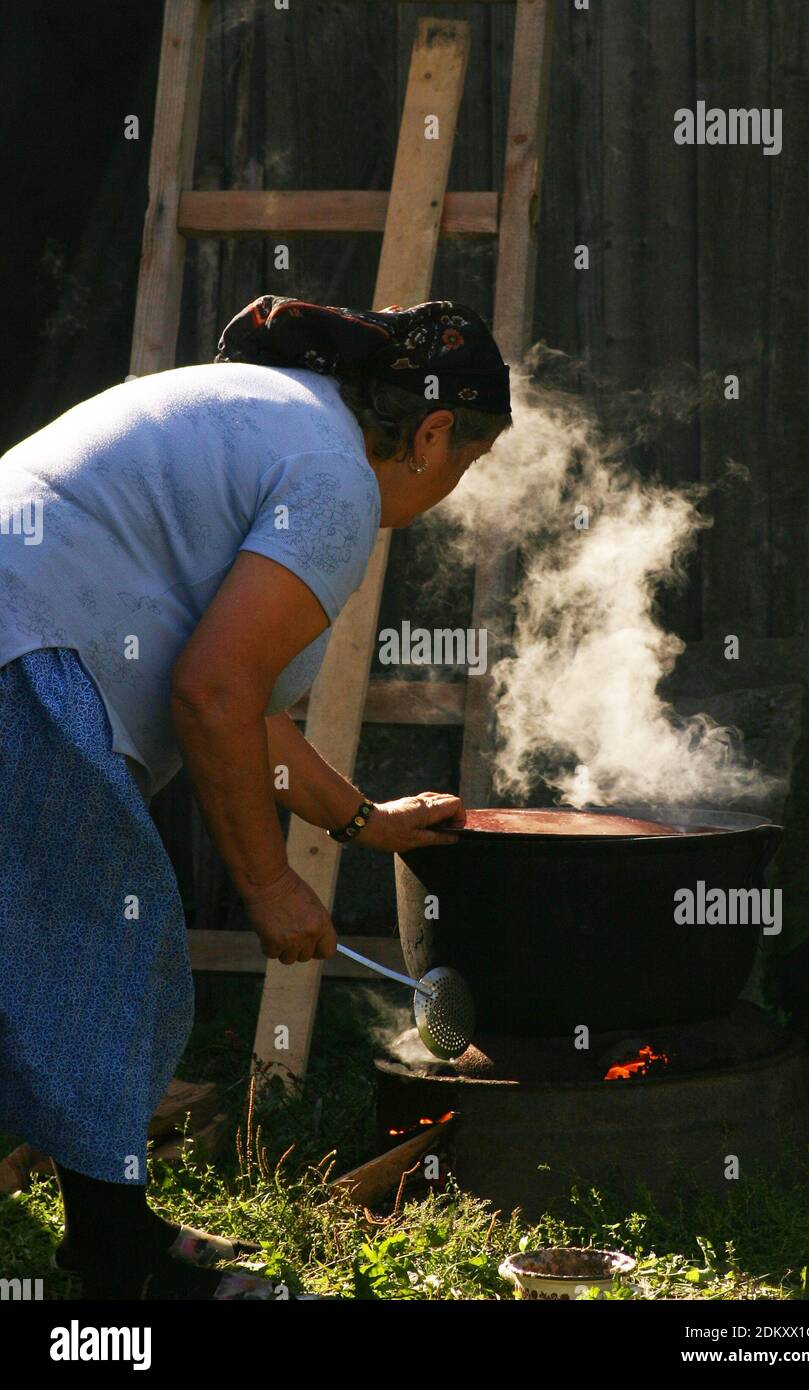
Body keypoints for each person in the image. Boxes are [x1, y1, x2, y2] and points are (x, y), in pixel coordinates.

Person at [0, 296, 511, 1299]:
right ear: (434, 430)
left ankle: (112, 1240)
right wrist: (271, 884)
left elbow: (252, 719)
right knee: (109, 955)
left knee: (58, 960)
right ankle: (118, 1262)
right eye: (466, 463)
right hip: (24, 661)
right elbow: (213, 692)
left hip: (19, 637)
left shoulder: (277, 414)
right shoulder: (333, 484)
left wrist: (365, 823)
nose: (454, 488)